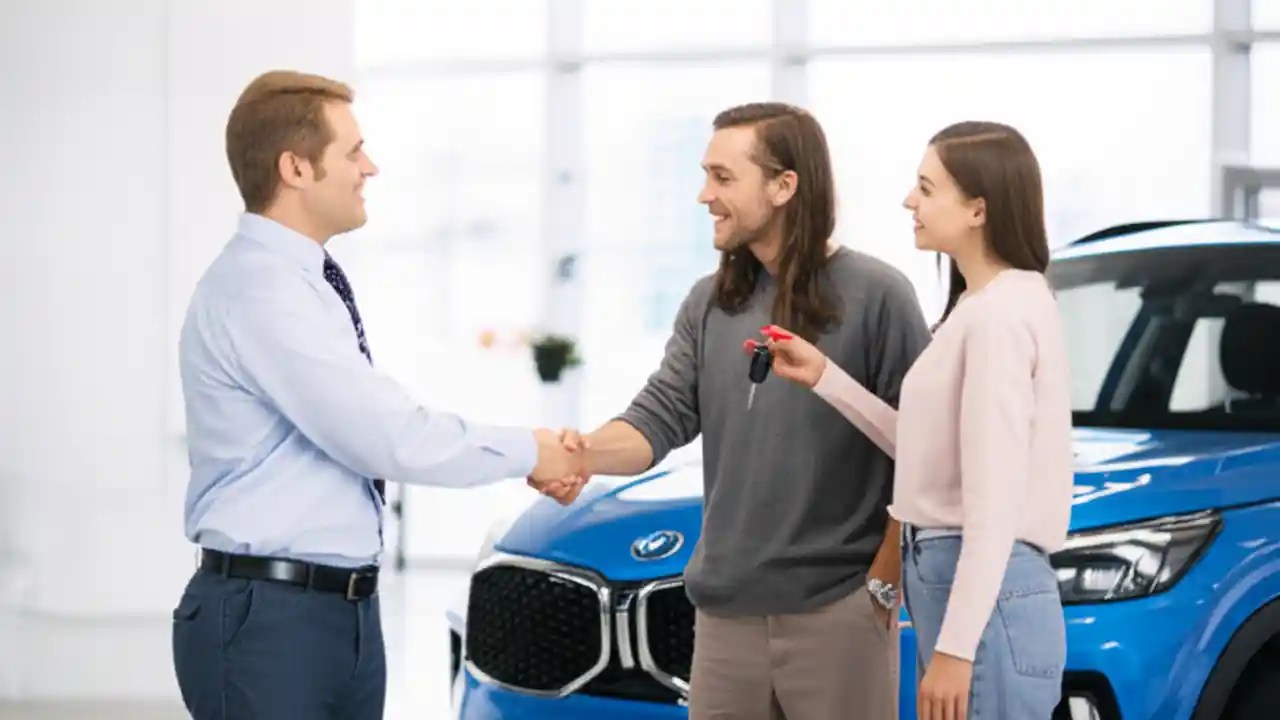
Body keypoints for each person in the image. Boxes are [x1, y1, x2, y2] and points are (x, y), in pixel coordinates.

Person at [171, 70, 584, 720]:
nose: (371, 167)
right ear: (296, 168)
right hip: (273, 624)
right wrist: (533, 451)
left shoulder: (301, 281)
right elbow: (384, 434)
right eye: (353, 151)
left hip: (338, 613)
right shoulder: (262, 290)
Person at [559, 102, 932, 720]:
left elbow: (922, 450)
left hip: (839, 611)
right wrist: (577, 455)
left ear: (785, 185)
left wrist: (882, 581)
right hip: (725, 618)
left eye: (723, 177)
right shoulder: (708, 302)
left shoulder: (879, 295)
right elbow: (659, 416)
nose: (705, 195)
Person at [762, 120, 1074, 719]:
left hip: (983, 595)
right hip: (971, 589)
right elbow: (928, 450)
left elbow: (995, 498)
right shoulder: (979, 307)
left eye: (927, 188)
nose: (910, 200)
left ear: (978, 209)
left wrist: (956, 650)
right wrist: (825, 375)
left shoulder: (1000, 316)